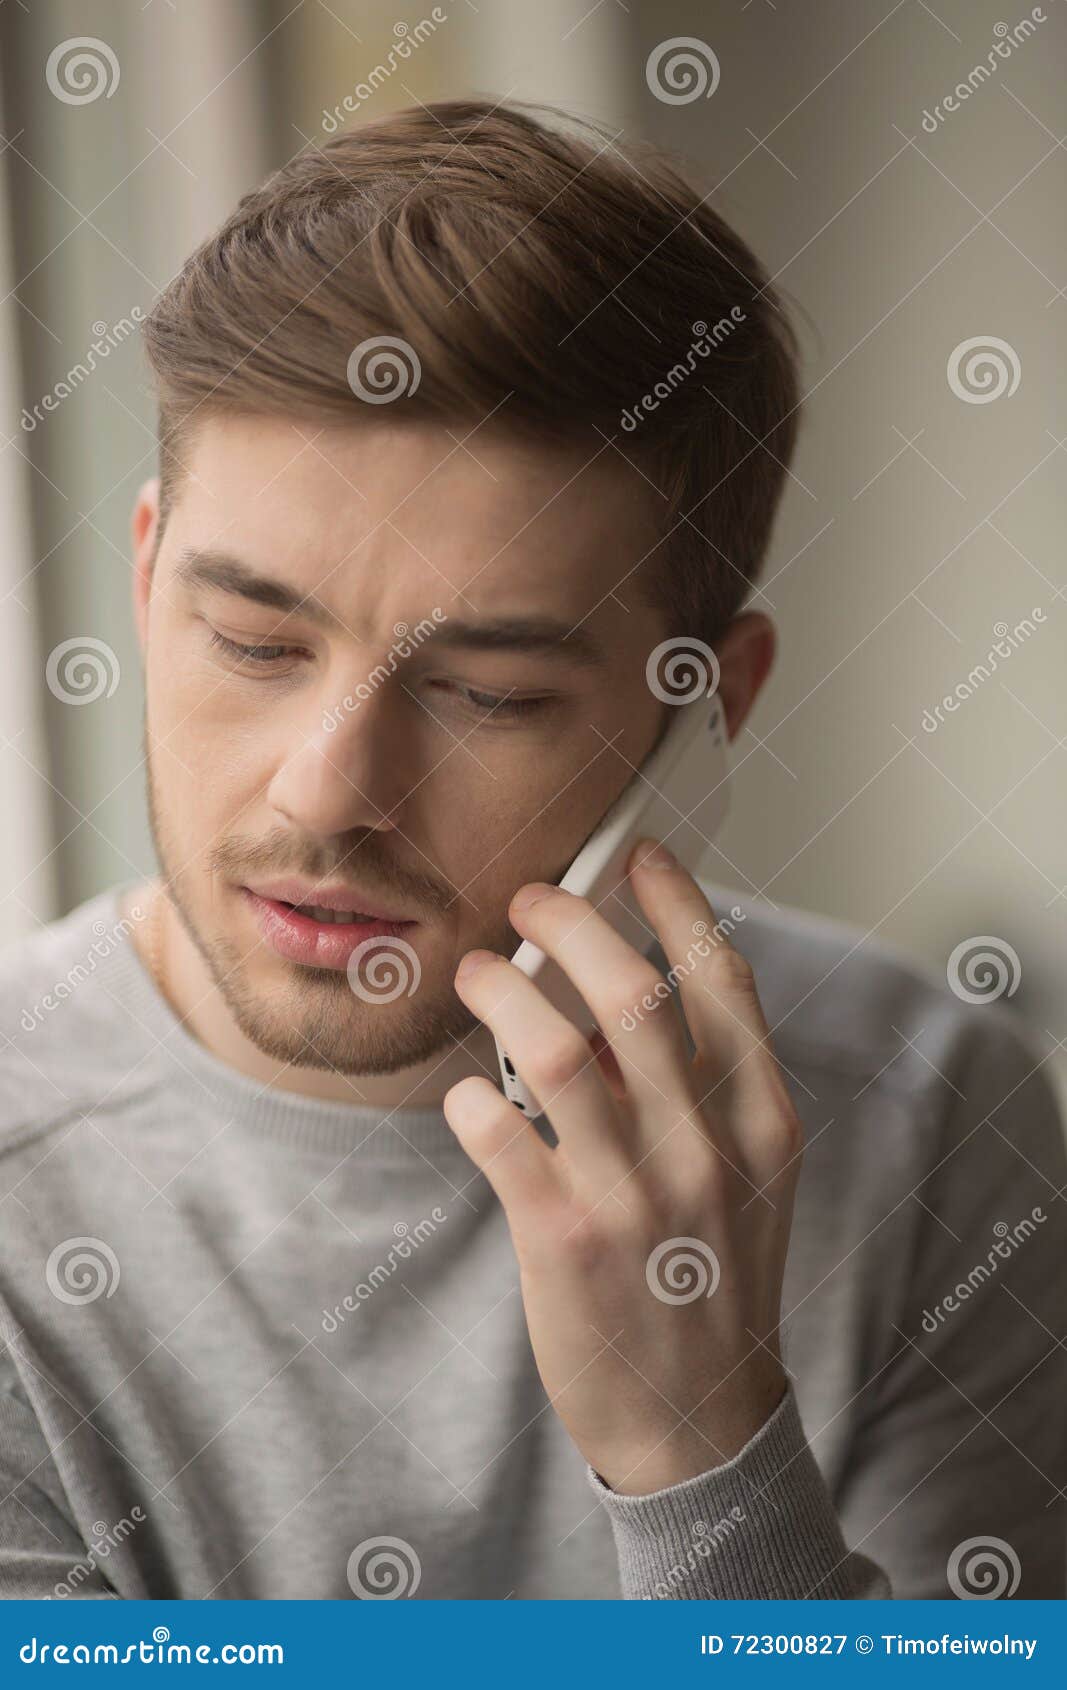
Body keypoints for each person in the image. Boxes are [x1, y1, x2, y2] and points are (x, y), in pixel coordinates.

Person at [1, 99, 1063, 1602]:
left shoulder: (932, 1112)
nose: (326, 792)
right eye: (252, 639)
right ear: (144, 567)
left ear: (713, 697)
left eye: (489, 692)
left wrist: (705, 1454)